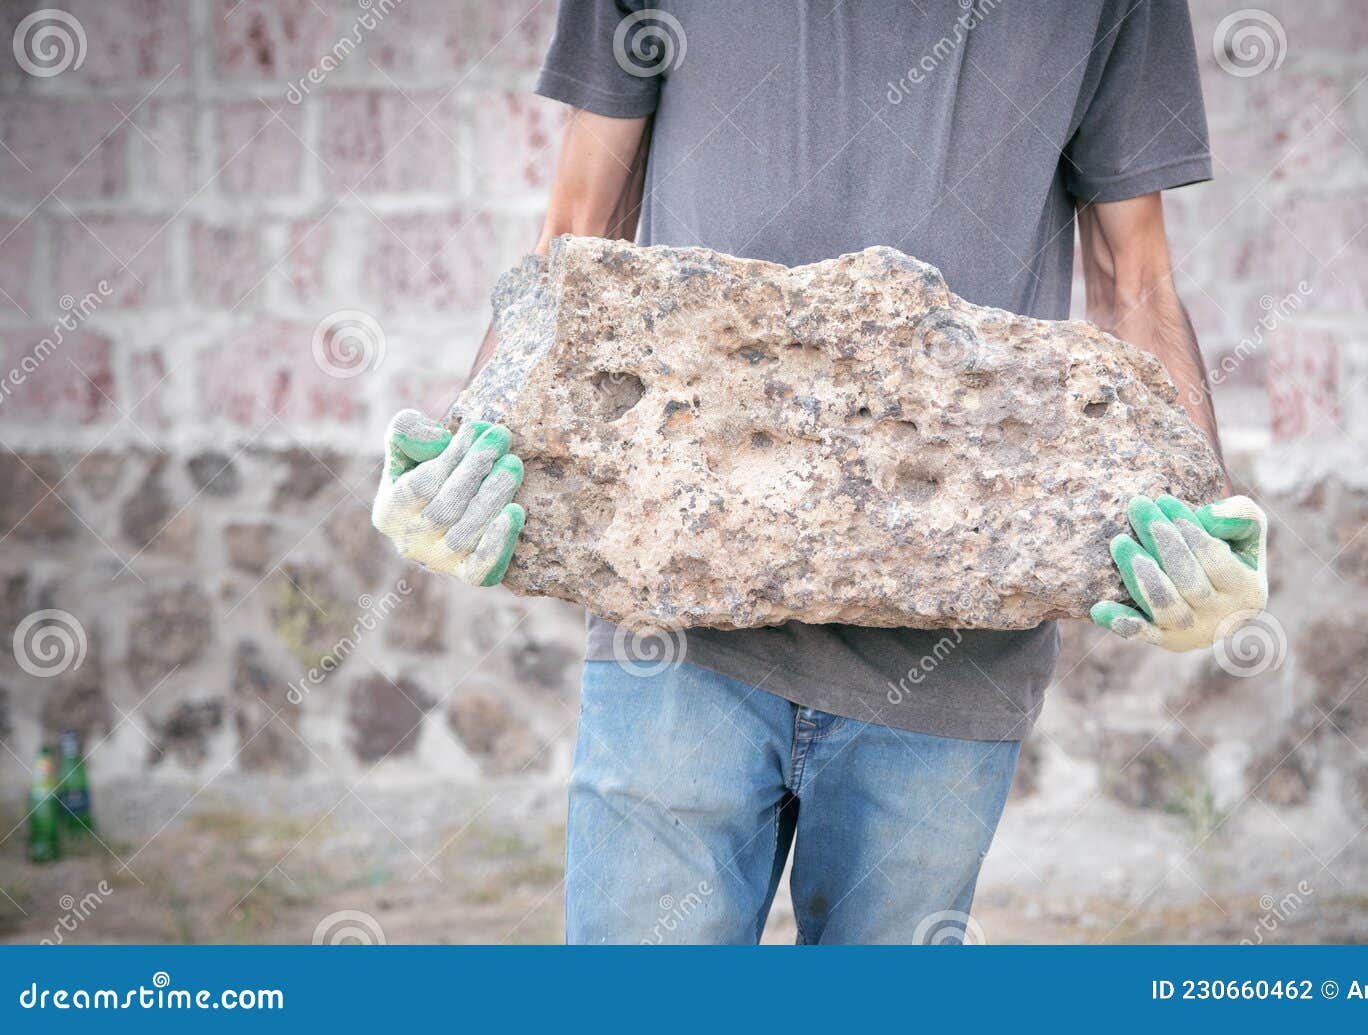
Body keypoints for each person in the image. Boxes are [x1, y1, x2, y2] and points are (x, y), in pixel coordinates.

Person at [371, 0, 1268, 944]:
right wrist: (469, 439)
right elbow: (579, 227)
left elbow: (1137, 276)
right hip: (679, 630)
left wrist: (1200, 517)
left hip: (951, 653)